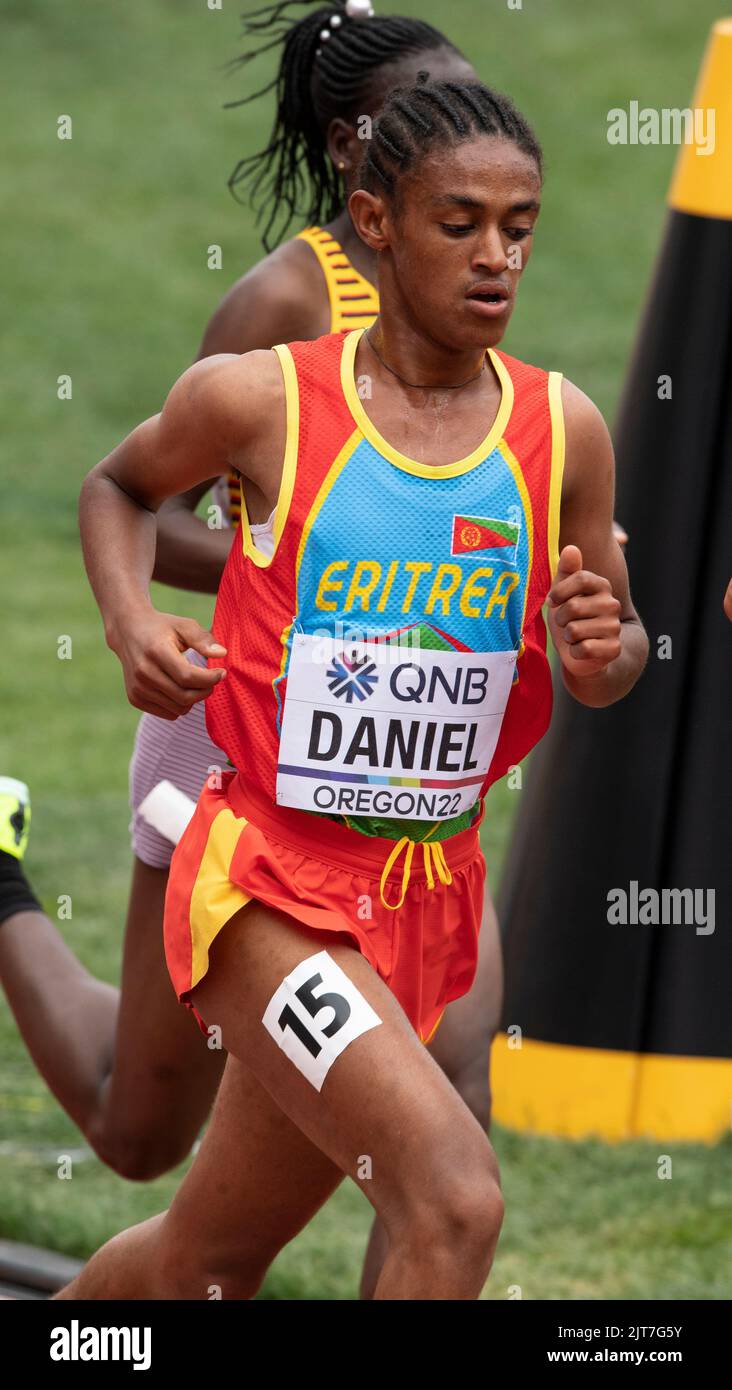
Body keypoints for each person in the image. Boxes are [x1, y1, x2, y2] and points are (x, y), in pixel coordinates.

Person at [55, 73, 648, 1300]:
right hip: (264, 884)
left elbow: (613, 656)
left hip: (424, 898)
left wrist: (606, 651)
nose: (498, 258)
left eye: (520, 228)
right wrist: (129, 629)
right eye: (460, 223)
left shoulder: (564, 431)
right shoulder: (263, 401)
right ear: (375, 223)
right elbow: (117, 487)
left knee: (205, 1263)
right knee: (455, 1198)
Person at [0, 0, 499, 1300]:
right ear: (354, 149)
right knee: (134, 1126)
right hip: (228, 725)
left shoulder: (472, 302)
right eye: (424, 110)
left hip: (380, 798)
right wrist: (290, 577)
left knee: (448, 1106)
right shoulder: (284, 300)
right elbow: (142, 502)